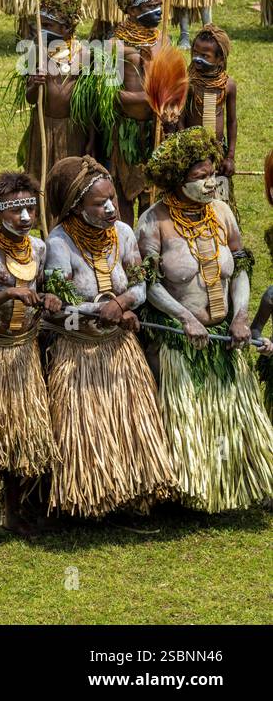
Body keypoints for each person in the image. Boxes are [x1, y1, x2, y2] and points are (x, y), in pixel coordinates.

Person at [136, 130, 273, 512]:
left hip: (225, 339)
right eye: (201, 177)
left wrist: (241, 316)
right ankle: (185, 492)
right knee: (188, 423)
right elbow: (147, 285)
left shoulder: (223, 212)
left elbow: (240, 268)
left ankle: (237, 488)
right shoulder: (152, 222)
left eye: (213, 174)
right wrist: (183, 318)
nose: (211, 182)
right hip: (180, 343)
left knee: (231, 418)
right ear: (177, 180)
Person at [41, 155, 174, 517]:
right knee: (86, 429)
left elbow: (141, 285)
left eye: (112, 199)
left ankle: (133, 491)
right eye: (100, 204)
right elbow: (60, 308)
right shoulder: (59, 244)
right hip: (79, 354)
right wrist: (102, 310)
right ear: (75, 207)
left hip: (120, 353)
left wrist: (124, 302)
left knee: (131, 421)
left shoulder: (125, 234)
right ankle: (89, 499)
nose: (112, 209)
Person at [0, 172, 60, 542]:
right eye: (15, 210)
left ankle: (14, 512)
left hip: (25, 354)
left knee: (22, 436)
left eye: (29, 208)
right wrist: (7, 295)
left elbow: (46, 295)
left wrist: (49, 299)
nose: (24, 217)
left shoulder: (39, 248)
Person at [17, 0, 96, 228]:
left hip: (73, 131)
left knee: (70, 180)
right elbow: (31, 99)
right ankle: (44, 231)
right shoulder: (37, 51)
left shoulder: (84, 54)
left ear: (66, 28)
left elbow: (91, 102)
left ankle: (70, 229)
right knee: (42, 181)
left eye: (49, 26)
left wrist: (92, 139)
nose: (43, 31)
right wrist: (34, 84)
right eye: (41, 25)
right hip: (44, 127)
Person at [100, 0, 168, 223]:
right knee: (125, 192)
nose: (158, 12)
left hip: (157, 128)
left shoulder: (162, 38)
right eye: (151, 7)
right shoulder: (114, 45)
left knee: (154, 191)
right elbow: (110, 94)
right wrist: (148, 98)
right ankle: (126, 244)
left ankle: (150, 244)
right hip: (126, 132)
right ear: (131, 10)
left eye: (160, 4)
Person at [176, 24, 235, 178]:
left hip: (217, 152)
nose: (197, 58)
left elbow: (232, 121)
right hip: (190, 151)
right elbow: (179, 118)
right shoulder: (188, 82)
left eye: (205, 56)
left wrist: (229, 157)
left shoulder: (228, 85)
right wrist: (186, 147)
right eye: (195, 52)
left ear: (220, 58)